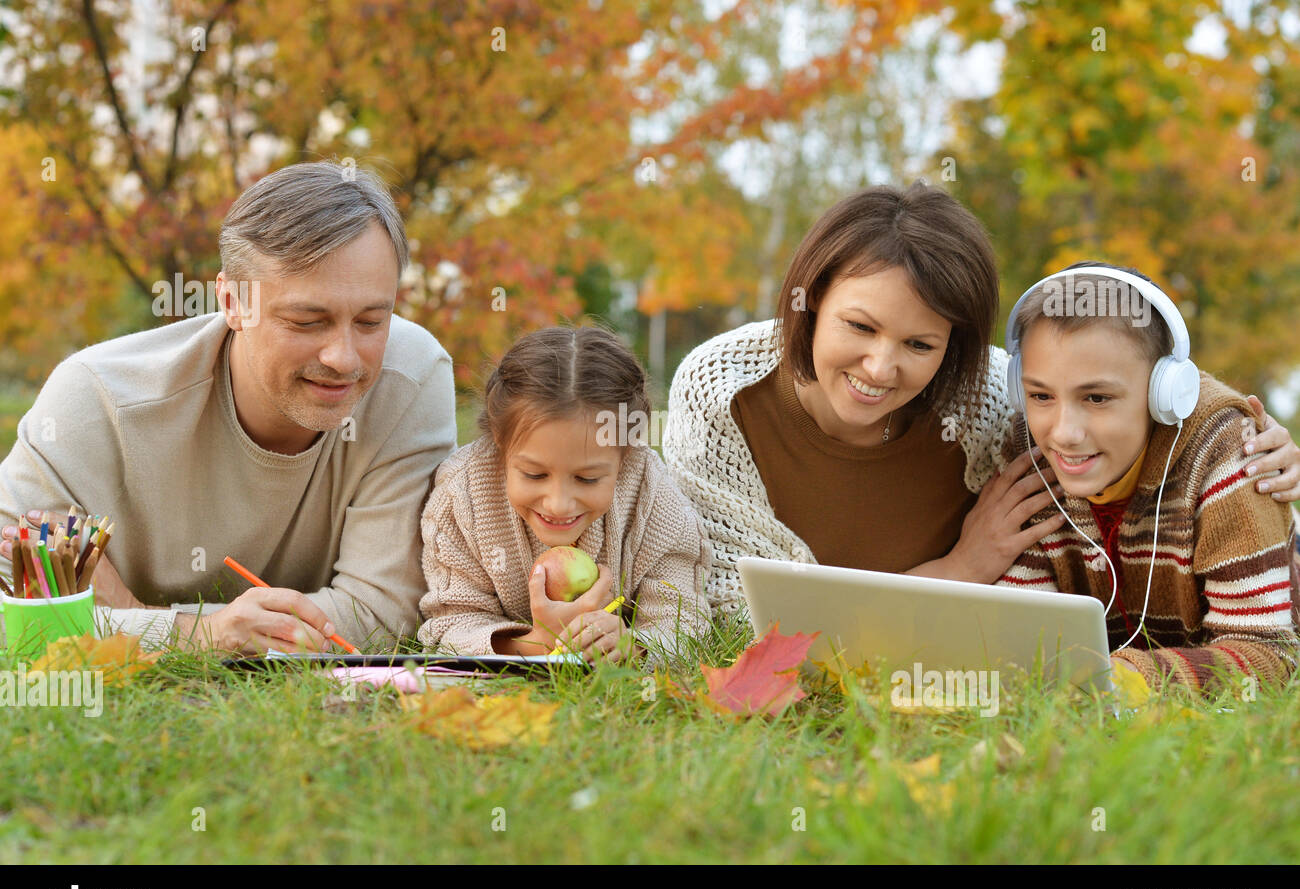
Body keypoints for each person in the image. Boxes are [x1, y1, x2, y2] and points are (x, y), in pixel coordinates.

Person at [663, 183, 1300, 616]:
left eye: (919, 343)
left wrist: (1242, 435)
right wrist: (960, 569)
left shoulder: (995, 398)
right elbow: (735, 618)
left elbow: (1120, 378)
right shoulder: (721, 393)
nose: (880, 367)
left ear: (955, 347)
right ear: (811, 299)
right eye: (859, 327)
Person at [0, 161, 456, 655]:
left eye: (371, 320)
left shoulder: (412, 376)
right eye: (306, 321)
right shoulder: (97, 399)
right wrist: (201, 635)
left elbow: (381, 615)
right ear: (232, 301)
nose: (344, 358)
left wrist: (135, 618)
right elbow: (13, 619)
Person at [996, 262, 1299, 692]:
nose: (1063, 433)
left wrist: (1125, 680)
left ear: (1166, 394)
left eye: (1097, 397)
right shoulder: (1029, 455)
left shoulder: (1230, 453)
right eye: (1040, 395)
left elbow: (1268, 654)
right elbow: (1026, 645)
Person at [418, 326, 711, 665]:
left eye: (587, 479)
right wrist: (538, 644)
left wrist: (634, 646)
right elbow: (449, 625)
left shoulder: (652, 495)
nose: (558, 503)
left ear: (626, 455)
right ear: (500, 441)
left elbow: (684, 622)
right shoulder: (462, 496)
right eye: (534, 474)